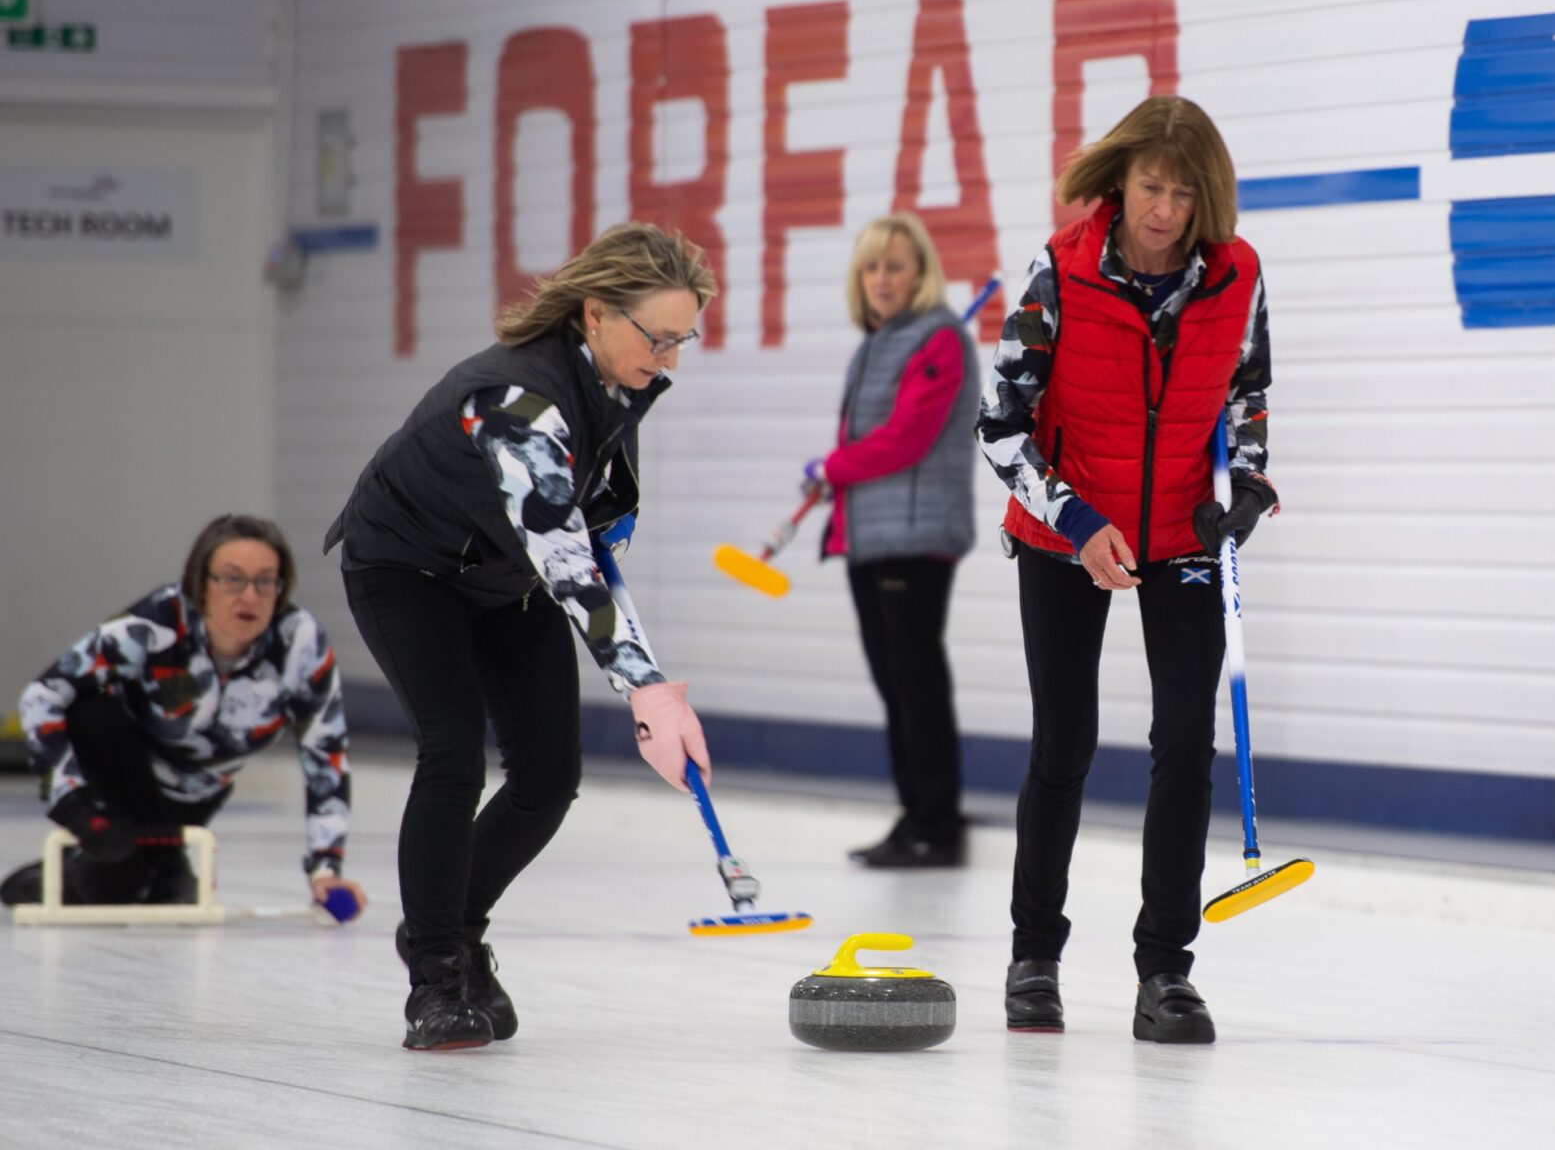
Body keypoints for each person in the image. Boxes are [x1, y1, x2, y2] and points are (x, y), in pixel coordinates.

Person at [324, 221, 718, 1052]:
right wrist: (643, 687)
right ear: (595, 314)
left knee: (548, 774)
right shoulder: (514, 403)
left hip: (508, 577)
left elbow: (588, 544)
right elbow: (563, 552)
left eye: (684, 339)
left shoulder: (618, 387)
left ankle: (456, 931)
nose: (671, 359)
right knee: (452, 750)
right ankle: (434, 976)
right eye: (659, 337)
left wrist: (649, 679)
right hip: (408, 567)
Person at [976, 95, 1278, 1044]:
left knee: (1186, 744)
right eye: (1151, 188)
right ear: (1120, 181)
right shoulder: (1059, 269)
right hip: (1065, 530)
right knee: (1063, 741)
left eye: (1184, 195)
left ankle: (1164, 972)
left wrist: (1246, 487)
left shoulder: (1237, 275)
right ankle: (1034, 956)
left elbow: (1248, 394)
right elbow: (1000, 426)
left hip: (1184, 534)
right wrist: (1077, 523)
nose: (1164, 212)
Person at [1, 514, 365, 919]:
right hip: (121, 782)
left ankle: (148, 870)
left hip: (196, 797)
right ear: (200, 584)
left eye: (265, 581)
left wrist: (326, 867)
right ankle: (156, 869)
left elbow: (326, 754)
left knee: (123, 885)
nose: (249, 596)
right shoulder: (155, 623)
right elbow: (43, 695)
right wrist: (73, 804)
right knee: (92, 708)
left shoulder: (300, 644)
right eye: (232, 579)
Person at [802, 213, 979, 869]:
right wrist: (835, 479)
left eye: (895, 266)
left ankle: (937, 824)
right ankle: (914, 817)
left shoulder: (937, 339)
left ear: (920, 273)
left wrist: (831, 468)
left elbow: (908, 437)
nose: (881, 279)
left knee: (914, 680)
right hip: (871, 535)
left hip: (914, 534)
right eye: (871, 266)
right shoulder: (876, 342)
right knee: (893, 681)